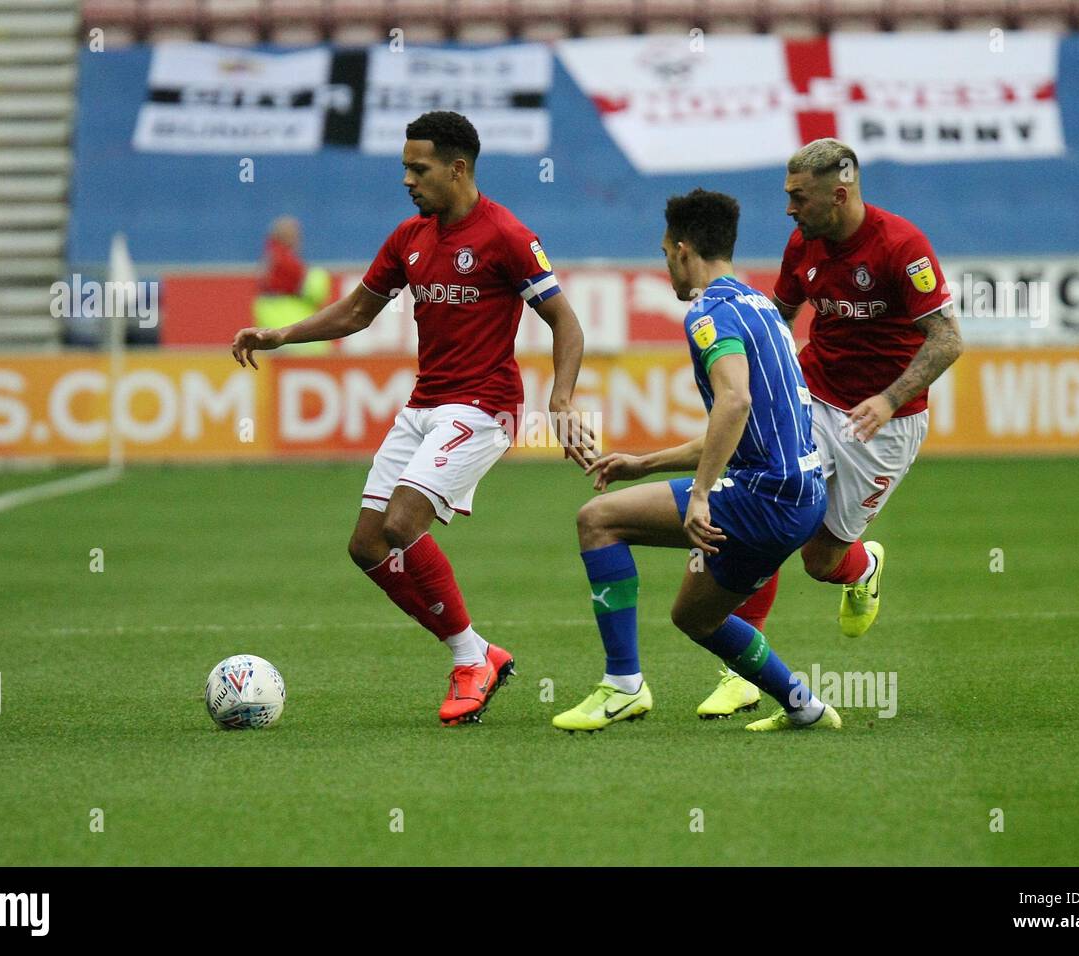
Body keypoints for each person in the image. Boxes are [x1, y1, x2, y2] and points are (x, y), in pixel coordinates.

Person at [231, 111, 593, 726]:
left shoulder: (505, 234)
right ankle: (478, 653)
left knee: (402, 521)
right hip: (426, 403)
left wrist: (561, 399)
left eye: (418, 168)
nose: (407, 179)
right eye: (404, 167)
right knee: (367, 544)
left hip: (485, 406)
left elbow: (565, 321)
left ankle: (468, 662)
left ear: (457, 169)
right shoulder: (409, 238)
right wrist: (279, 335)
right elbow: (353, 314)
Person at [553, 188, 840, 734]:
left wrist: (702, 495)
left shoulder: (708, 313)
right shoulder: (762, 308)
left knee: (597, 520)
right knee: (695, 616)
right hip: (800, 500)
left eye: (666, 254)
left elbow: (734, 402)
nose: (667, 265)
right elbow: (733, 431)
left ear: (684, 251)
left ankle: (622, 687)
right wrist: (646, 463)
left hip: (764, 496)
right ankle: (804, 705)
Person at [697, 138, 964, 720]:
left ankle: (863, 567)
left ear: (838, 194)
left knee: (819, 561)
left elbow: (948, 339)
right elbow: (781, 315)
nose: (789, 209)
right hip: (812, 398)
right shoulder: (804, 244)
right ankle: (740, 675)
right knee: (765, 517)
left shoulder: (902, 247)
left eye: (798, 197)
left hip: (885, 423)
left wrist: (891, 398)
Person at [252, 216, 331, 356]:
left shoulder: (270, 258)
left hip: (274, 330)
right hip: (295, 333)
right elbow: (314, 292)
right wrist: (319, 276)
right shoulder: (286, 261)